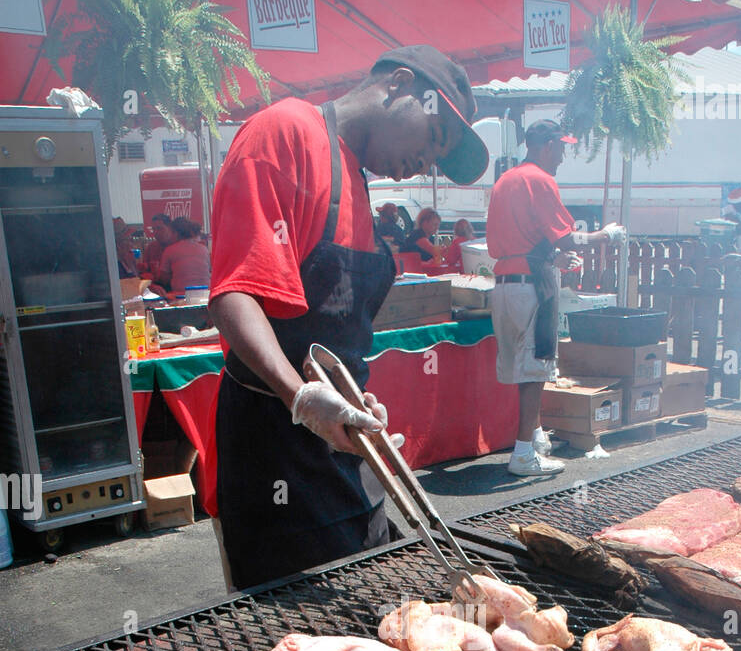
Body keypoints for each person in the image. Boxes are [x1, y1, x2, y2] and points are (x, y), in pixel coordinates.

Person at [208, 44, 488, 591]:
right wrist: (303, 399)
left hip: (348, 448)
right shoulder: (284, 134)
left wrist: (350, 398)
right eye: (433, 141)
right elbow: (234, 295)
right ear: (399, 84)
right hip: (277, 449)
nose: (424, 164)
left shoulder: (355, 182)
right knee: (301, 637)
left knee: (373, 604)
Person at [486, 119, 625, 478]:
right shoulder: (541, 180)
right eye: (561, 148)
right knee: (534, 370)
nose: (563, 156)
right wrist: (605, 236)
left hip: (504, 285)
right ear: (547, 145)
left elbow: (527, 239)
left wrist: (552, 258)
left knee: (524, 368)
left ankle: (534, 441)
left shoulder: (504, 180)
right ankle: (522, 456)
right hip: (531, 288)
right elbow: (567, 237)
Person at [153, 219, 211, 298]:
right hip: (206, 294)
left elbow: (163, 279)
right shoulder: (203, 248)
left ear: (175, 233)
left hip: (181, 295)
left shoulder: (170, 250)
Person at [142, 213, 176, 279]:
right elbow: (144, 272)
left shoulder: (178, 247)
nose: (156, 232)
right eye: (153, 229)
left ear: (170, 228)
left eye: (159, 228)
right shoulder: (151, 248)